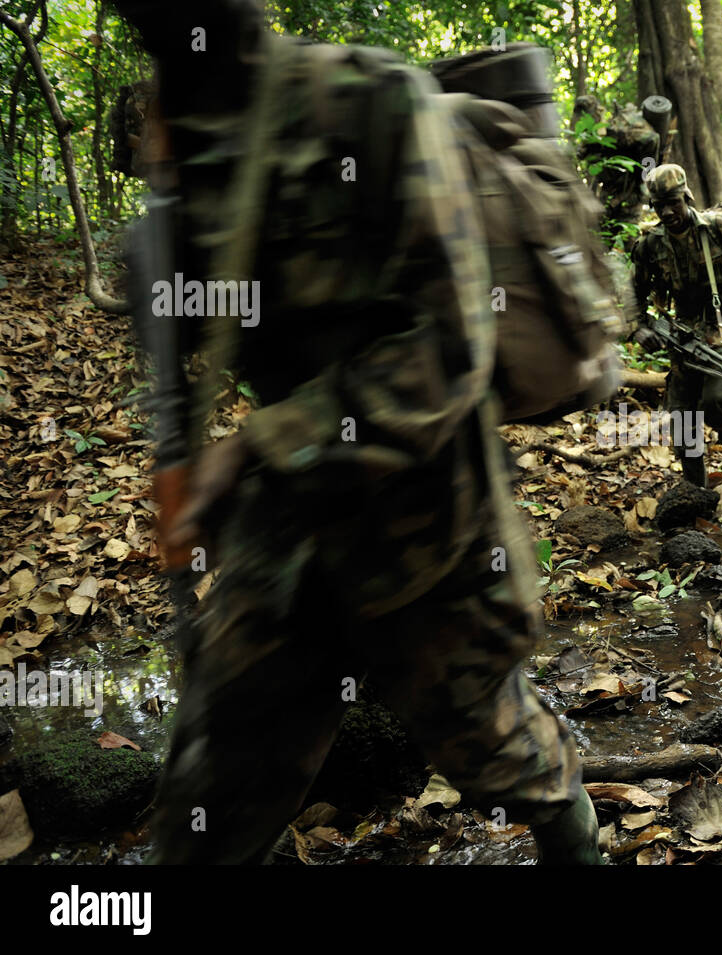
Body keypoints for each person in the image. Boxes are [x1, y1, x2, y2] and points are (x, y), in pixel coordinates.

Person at [113, 0, 601, 864]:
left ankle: (578, 844)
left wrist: (258, 446)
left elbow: (451, 345)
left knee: (506, 758)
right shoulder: (180, 137)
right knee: (210, 801)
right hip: (287, 540)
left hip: (432, 530)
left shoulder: (371, 101)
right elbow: (201, 321)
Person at [630, 164, 722, 489]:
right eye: (659, 205)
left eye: (674, 202)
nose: (667, 212)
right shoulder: (651, 244)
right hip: (684, 330)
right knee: (681, 414)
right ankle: (695, 487)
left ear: (687, 198)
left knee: (717, 400)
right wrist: (639, 326)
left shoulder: (720, 228)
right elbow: (634, 290)